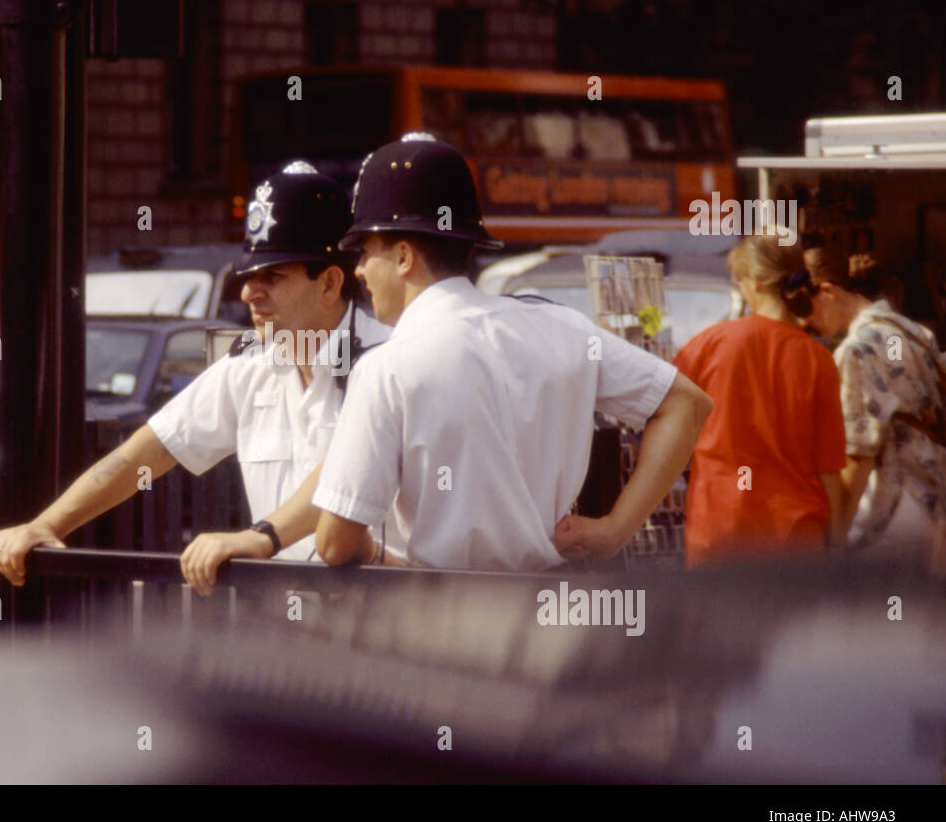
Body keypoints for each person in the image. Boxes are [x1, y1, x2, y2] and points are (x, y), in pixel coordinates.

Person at [312, 133, 712, 571]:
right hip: (554, 616)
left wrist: (380, 557)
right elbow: (686, 404)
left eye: (367, 251)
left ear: (404, 256)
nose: (360, 269)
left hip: (440, 619)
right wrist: (615, 529)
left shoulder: (385, 368)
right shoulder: (564, 329)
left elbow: (335, 545)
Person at [0, 162, 392, 595]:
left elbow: (343, 474)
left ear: (330, 283)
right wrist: (47, 525)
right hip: (286, 630)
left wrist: (260, 536)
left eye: (272, 276)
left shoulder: (388, 362)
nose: (248, 293)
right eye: (249, 276)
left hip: (378, 624)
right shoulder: (249, 367)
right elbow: (151, 449)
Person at [670, 230, 847, 566]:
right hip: (797, 536)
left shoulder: (709, 344)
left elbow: (663, 414)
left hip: (720, 528)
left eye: (738, 278)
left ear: (755, 282)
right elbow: (829, 466)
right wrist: (837, 540)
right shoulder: (818, 359)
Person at [802, 248, 946, 564]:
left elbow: (859, 453)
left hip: (895, 503)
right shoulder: (908, 331)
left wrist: (836, 537)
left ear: (827, 292)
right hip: (932, 495)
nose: (804, 322)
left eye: (805, 308)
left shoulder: (858, 350)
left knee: (886, 609)